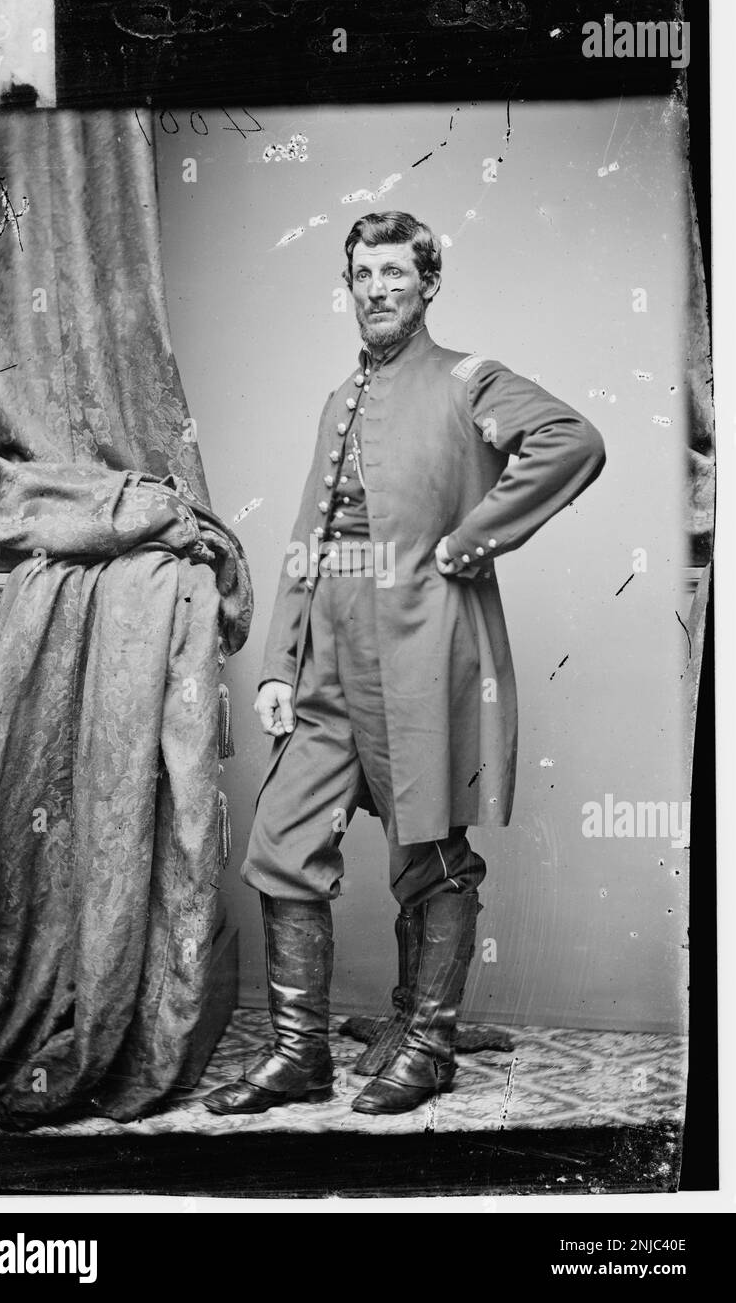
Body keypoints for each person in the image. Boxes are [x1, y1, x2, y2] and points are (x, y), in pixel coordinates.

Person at [205, 211, 606, 1117]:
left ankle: (426, 1047)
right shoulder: (336, 399)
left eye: (395, 273)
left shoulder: (470, 380)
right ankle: (299, 1055)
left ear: (428, 285)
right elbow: (309, 536)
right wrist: (278, 663)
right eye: (362, 275)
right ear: (347, 289)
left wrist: (466, 546)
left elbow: (573, 442)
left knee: (428, 853)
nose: (377, 289)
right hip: (330, 666)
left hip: (423, 649)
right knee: (280, 845)